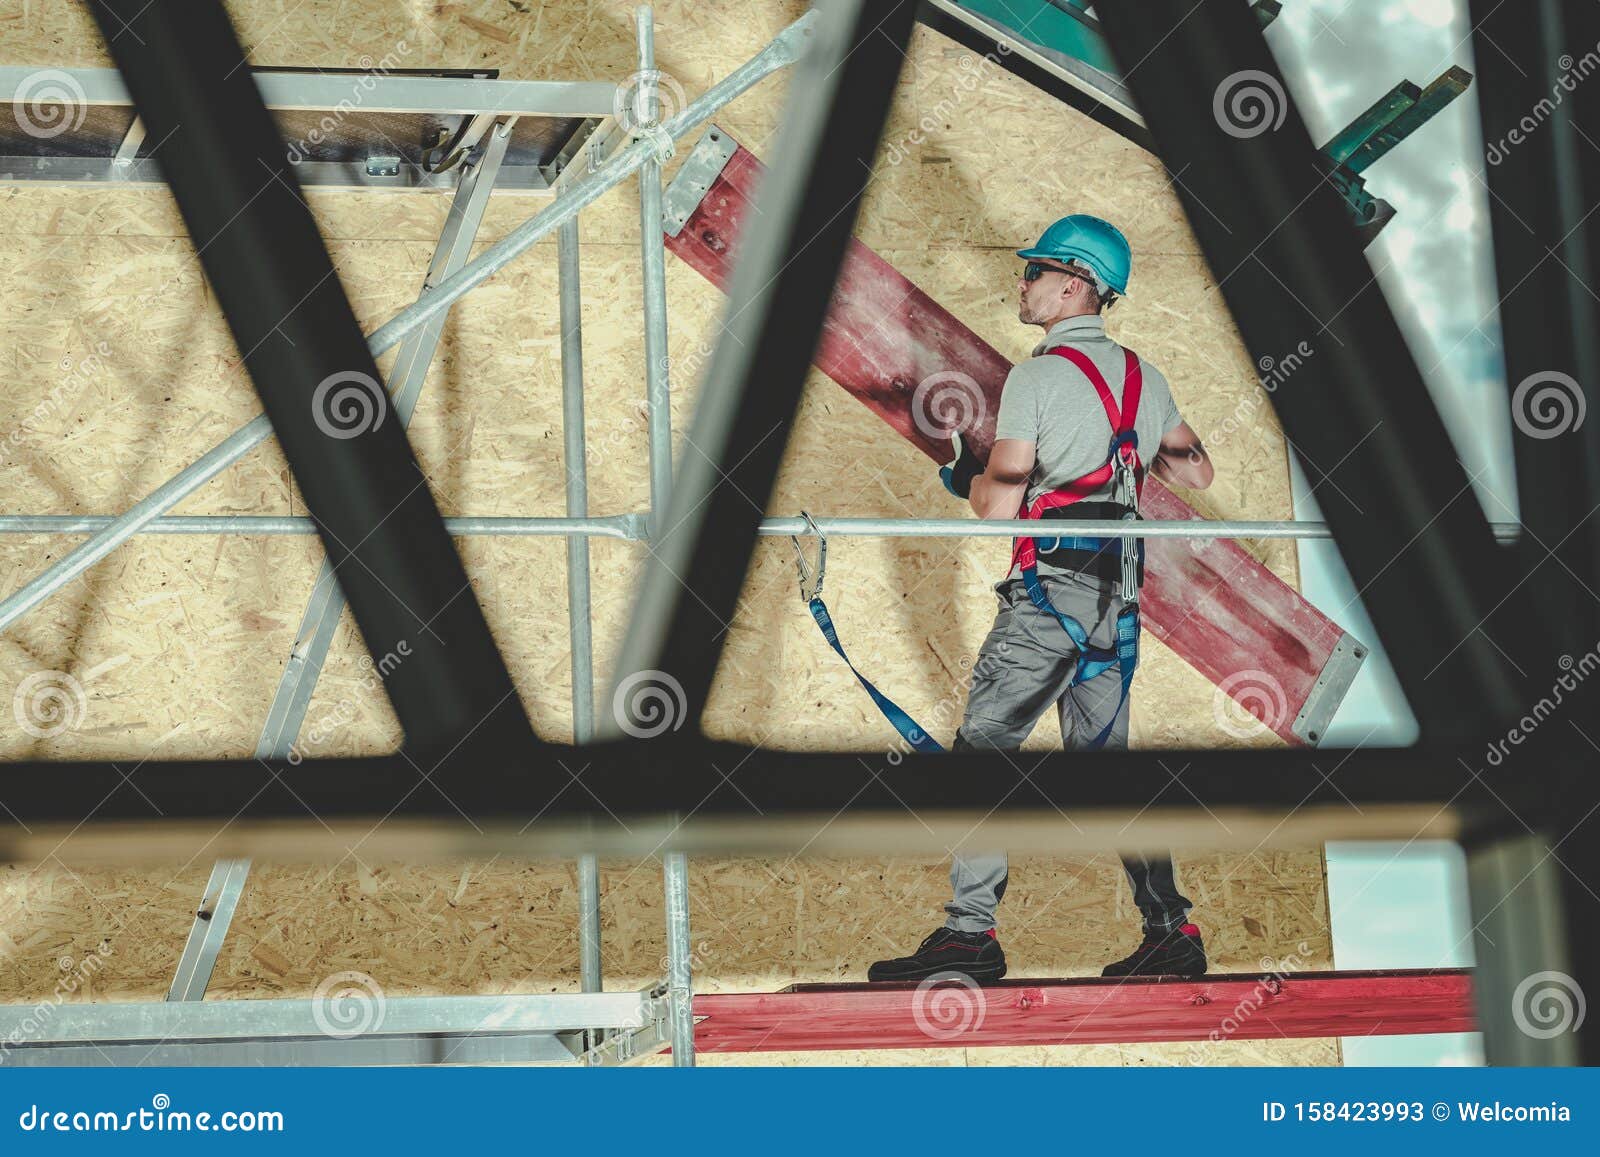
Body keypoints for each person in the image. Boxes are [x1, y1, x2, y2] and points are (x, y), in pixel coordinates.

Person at [868, 215, 1215, 984]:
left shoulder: (1036, 378)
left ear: (1072, 284)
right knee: (1110, 774)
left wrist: (968, 474)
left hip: (1047, 599)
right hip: (1114, 607)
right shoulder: (1144, 379)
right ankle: (1171, 931)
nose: (1021, 284)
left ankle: (970, 937)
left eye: (1032, 273)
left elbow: (1000, 507)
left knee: (982, 762)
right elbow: (1196, 473)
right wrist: (1126, 445)